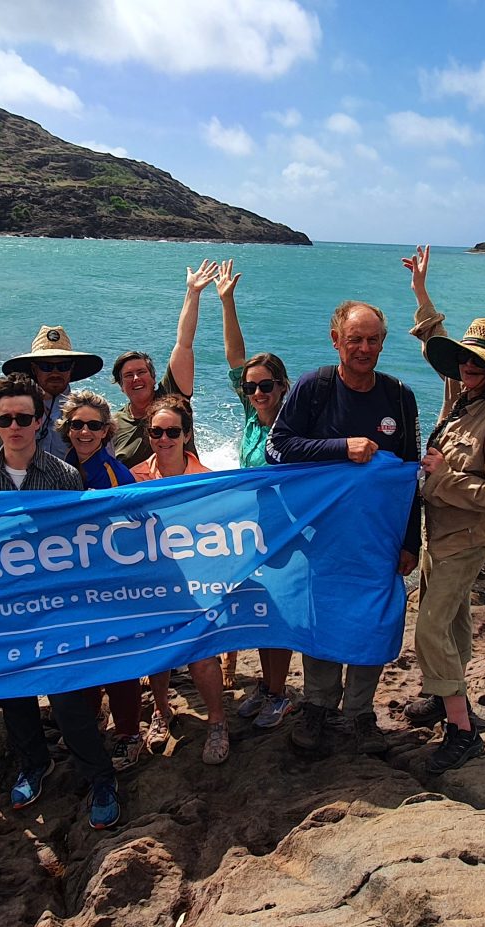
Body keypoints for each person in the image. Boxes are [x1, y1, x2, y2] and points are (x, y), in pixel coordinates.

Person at [0, 374, 121, 830]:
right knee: (16, 697)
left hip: (54, 606)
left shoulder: (64, 476)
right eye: (5, 418)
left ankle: (99, 776)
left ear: (40, 419)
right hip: (3, 607)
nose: (15, 426)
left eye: (24, 417)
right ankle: (34, 764)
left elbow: (76, 543)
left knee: (69, 698)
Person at [266, 299, 422, 757]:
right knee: (324, 617)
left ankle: (359, 712)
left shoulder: (398, 396)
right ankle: (317, 707)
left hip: (379, 536)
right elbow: (278, 449)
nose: (364, 348)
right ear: (336, 340)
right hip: (321, 535)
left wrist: (411, 539)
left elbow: (409, 474)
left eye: (373, 339)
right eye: (355, 339)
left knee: (372, 618)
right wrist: (340, 448)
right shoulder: (314, 387)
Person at [402, 245, 485, 774]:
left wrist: (444, 477)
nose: (469, 367)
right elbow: (434, 336)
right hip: (440, 533)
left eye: (479, 363)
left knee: (429, 626)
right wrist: (421, 291)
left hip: (468, 537)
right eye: (466, 359)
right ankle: (444, 695)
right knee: (450, 620)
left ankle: (461, 729)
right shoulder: (462, 395)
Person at [215, 260, 297, 730]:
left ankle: (279, 692)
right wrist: (227, 301)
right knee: (257, 605)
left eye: (266, 386)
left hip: (286, 532)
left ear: (283, 386)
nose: (258, 392)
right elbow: (235, 355)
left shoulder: (296, 424)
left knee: (276, 609)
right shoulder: (251, 419)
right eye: (252, 388)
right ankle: (266, 687)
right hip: (252, 529)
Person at [127, 395, 232, 765]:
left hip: (196, 583)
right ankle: (161, 710)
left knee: (202, 655)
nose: (164, 438)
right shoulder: (133, 478)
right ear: (148, 433)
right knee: (159, 654)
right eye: (156, 431)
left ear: (186, 435)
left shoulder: (207, 481)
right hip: (153, 581)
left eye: (173, 431)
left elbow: (224, 536)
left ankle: (217, 722)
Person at [58, 390, 146, 770]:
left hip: (110, 586)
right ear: (66, 428)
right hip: (73, 583)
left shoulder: (114, 473)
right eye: (77, 424)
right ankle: (92, 716)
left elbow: (135, 530)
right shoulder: (58, 467)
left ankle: (129, 733)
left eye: (94, 425)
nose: (84, 432)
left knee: (116, 661)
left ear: (107, 431)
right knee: (83, 656)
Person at [107, 261, 213, 467]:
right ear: (120, 386)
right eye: (128, 376)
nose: (136, 378)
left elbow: (184, 344)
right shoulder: (114, 424)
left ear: (153, 378)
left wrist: (193, 292)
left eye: (141, 372)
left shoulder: (172, 397)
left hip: (183, 491)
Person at [2, 326, 102, 456]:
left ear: (71, 369)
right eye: (46, 366)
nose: (55, 372)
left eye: (63, 366)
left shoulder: (90, 412)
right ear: (34, 369)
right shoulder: (12, 410)